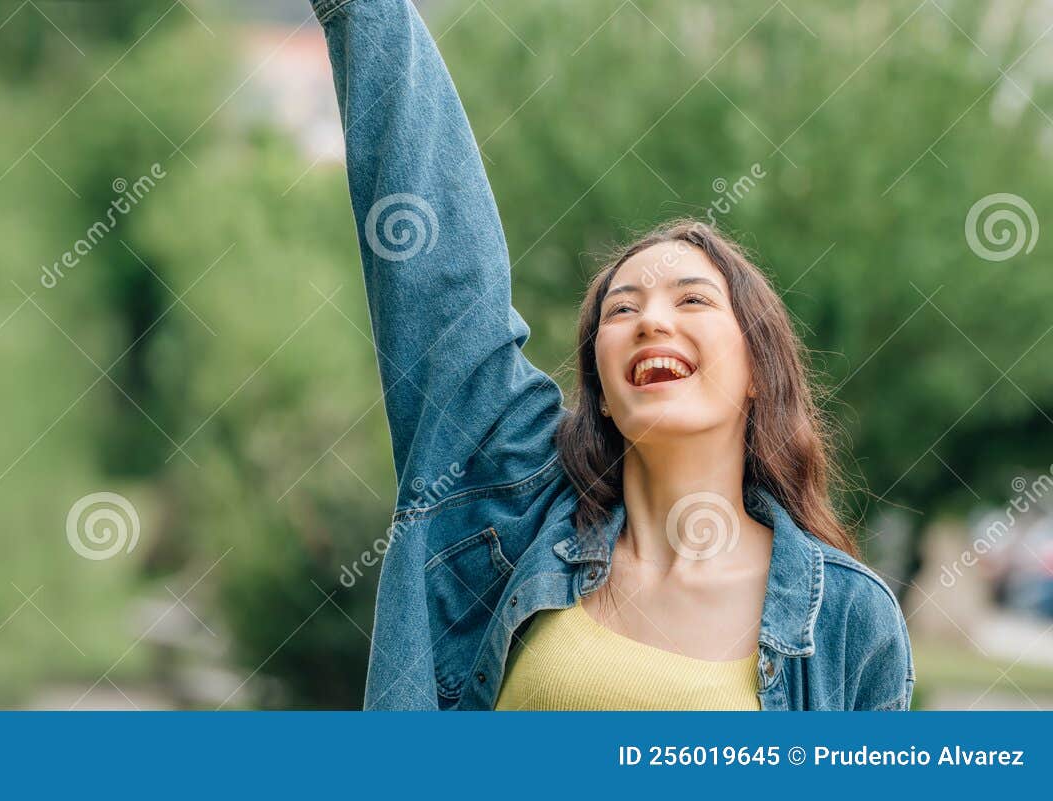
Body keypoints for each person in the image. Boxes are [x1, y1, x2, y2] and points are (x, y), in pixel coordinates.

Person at [309, 0, 913, 710]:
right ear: (599, 380)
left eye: (691, 300)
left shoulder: (848, 620)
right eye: (621, 309)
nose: (650, 320)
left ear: (757, 369)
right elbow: (445, 277)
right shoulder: (516, 510)